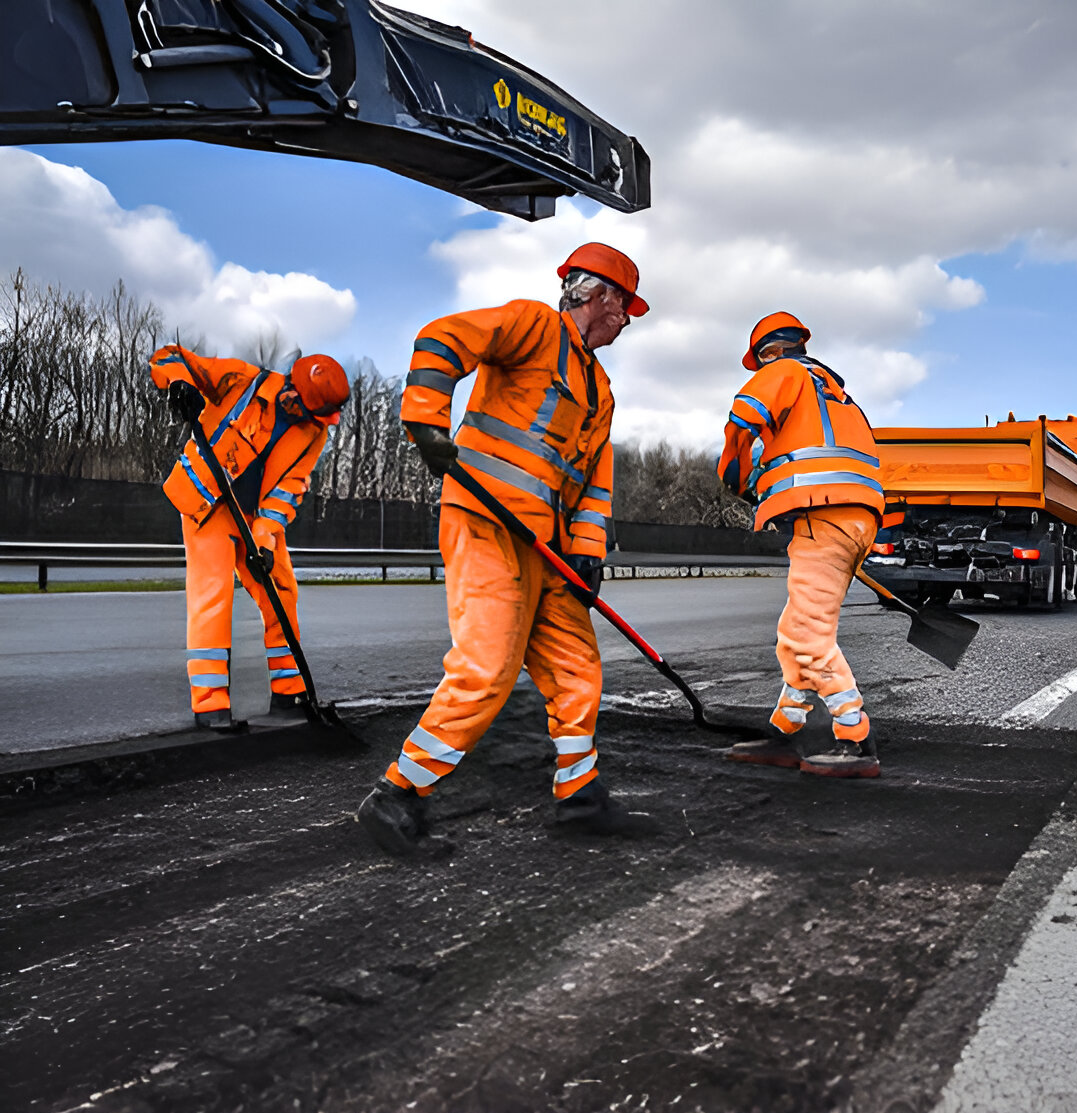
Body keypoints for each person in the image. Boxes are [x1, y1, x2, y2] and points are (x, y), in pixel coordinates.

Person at [357, 242, 651, 854]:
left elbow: (594, 478)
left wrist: (588, 552)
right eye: (625, 309)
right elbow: (443, 337)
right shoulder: (533, 325)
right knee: (487, 666)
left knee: (577, 671)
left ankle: (580, 799)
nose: (625, 323)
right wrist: (427, 419)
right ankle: (397, 794)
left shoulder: (600, 389)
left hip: (545, 547)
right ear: (601, 297)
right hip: (486, 520)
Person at [717, 312, 885, 778]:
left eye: (760, 362)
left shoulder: (784, 372)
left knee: (809, 636)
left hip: (823, 513)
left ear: (770, 352)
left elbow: (744, 416)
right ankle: (788, 730)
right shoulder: (837, 396)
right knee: (796, 629)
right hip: (852, 515)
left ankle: (855, 738)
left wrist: (733, 464)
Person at [150, 345, 349, 731]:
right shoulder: (241, 380)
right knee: (213, 595)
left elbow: (289, 489)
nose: (318, 422)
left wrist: (264, 539)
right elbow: (169, 357)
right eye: (314, 414)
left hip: (254, 517)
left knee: (282, 591)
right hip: (206, 504)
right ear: (292, 392)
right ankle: (211, 706)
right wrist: (179, 385)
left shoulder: (314, 433)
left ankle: (290, 694)